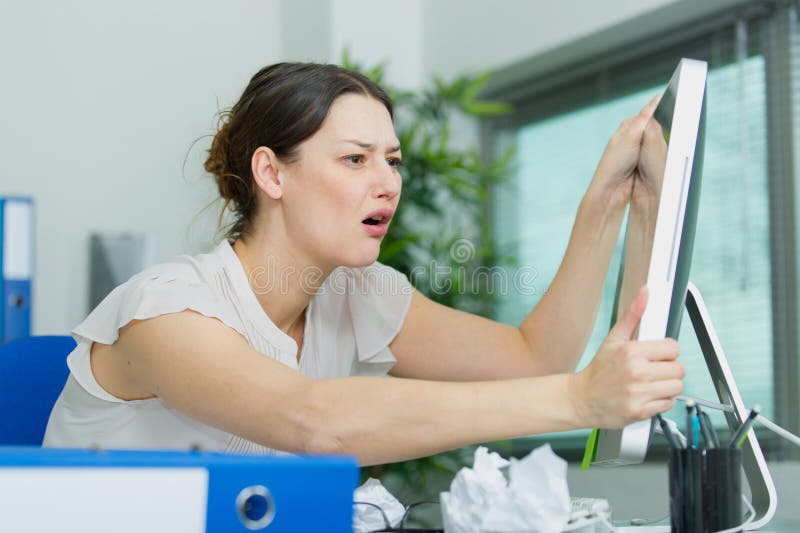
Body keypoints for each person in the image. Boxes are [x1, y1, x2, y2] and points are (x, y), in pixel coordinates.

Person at [43, 62, 683, 465]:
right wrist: (578, 401)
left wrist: (602, 207)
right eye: (356, 159)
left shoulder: (359, 292)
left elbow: (534, 358)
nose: (388, 183)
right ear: (271, 173)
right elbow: (315, 423)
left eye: (393, 160)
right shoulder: (170, 309)